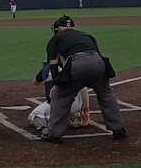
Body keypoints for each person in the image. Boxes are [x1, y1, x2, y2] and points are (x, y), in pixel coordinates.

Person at [39, 15, 127, 143]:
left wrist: (57, 84)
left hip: (77, 65)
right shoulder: (87, 36)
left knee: (61, 96)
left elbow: (53, 64)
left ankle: (54, 133)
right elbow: (98, 55)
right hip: (97, 63)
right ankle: (118, 129)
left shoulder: (55, 39)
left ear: (58, 28)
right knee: (106, 94)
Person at [27, 60, 90, 131]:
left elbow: (35, 82)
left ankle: (52, 123)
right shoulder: (73, 67)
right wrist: (86, 110)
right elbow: (84, 89)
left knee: (32, 117)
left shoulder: (47, 68)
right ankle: (74, 117)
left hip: (57, 106)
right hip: (76, 105)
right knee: (78, 88)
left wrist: (46, 79)